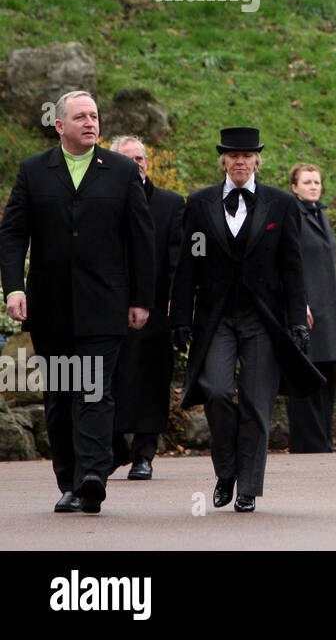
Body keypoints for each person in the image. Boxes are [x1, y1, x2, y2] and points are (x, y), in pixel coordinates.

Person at [0, 91, 154, 513]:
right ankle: (67, 480)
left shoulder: (121, 171)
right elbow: (13, 233)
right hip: (50, 306)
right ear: (59, 125)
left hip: (104, 303)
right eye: (81, 117)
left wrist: (142, 298)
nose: (90, 122)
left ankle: (92, 475)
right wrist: (14, 288)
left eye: (95, 116)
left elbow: (141, 238)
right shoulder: (35, 171)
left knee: (94, 389)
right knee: (61, 394)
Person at [169, 127, 323, 512]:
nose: (240, 162)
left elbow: (292, 268)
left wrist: (297, 321)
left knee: (257, 402)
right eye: (233, 156)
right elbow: (187, 266)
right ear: (224, 160)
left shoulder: (281, 204)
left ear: (257, 160)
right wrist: (180, 317)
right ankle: (226, 471)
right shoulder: (200, 203)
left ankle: (249, 488)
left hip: (263, 319)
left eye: (247, 156)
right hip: (216, 316)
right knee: (218, 392)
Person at [106, 135, 185, 481]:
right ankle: (114, 448)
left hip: (154, 310)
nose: (136, 164)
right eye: (128, 159)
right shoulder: (103, 201)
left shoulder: (169, 204)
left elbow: (177, 258)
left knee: (151, 381)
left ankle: (144, 454)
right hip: (108, 306)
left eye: (140, 158)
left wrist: (174, 302)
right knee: (108, 381)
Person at [286, 162, 336, 453]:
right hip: (305, 308)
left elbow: (330, 262)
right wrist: (298, 303)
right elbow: (287, 263)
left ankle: (324, 438)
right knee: (305, 371)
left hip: (328, 306)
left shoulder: (322, 215)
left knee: (327, 373)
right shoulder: (291, 216)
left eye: (317, 182)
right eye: (307, 182)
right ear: (294, 187)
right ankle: (308, 442)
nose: (313, 186)